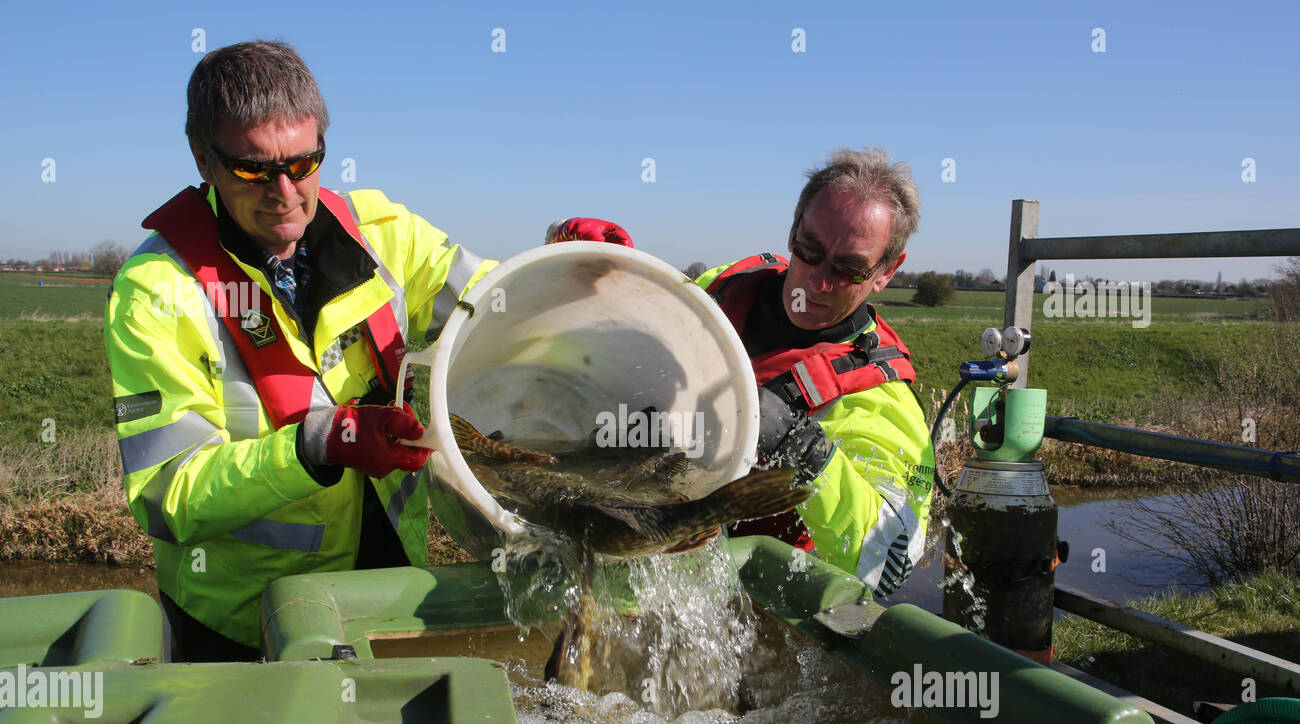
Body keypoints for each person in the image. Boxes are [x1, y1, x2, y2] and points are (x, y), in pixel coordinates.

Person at [104, 41, 495, 661]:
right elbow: (166, 491)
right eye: (254, 170)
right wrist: (318, 443)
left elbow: (499, 306)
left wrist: (572, 267)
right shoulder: (157, 291)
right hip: (243, 624)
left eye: (304, 162)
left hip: (381, 588)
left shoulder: (380, 233)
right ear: (203, 160)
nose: (284, 192)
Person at [552, 149, 933, 597]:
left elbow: (889, 561)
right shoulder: (729, 286)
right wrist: (619, 278)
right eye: (809, 251)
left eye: (849, 269)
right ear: (794, 227)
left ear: (887, 269)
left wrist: (804, 447)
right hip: (644, 538)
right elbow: (651, 341)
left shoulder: (878, 398)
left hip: (763, 602)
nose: (817, 281)